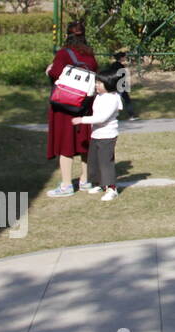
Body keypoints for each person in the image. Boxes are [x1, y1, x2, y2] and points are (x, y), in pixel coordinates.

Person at [45, 21, 98, 197]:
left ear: (67, 35)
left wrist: (49, 71)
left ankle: (67, 185)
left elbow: (56, 73)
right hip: (85, 104)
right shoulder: (90, 55)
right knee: (84, 143)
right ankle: (85, 180)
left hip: (65, 106)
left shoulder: (63, 53)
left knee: (65, 144)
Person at [73, 73, 122, 201]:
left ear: (108, 85)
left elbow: (102, 118)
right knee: (94, 160)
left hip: (108, 135)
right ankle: (99, 184)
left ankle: (112, 188)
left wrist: (82, 120)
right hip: (96, 134)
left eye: (99, 83)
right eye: (96, 82)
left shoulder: (113, 98)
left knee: (106, 162)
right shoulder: (99, 96)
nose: (96, 85)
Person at [100, 51, 137, 120]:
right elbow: (122, 76)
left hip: (115, 85)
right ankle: (131, 115)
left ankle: (112, 115)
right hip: (120, 85)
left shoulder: (113, 65)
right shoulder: (120, 66)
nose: (125, 58)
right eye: (124, 57)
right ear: (121, 58)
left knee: (118, 100)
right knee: (126, 100)